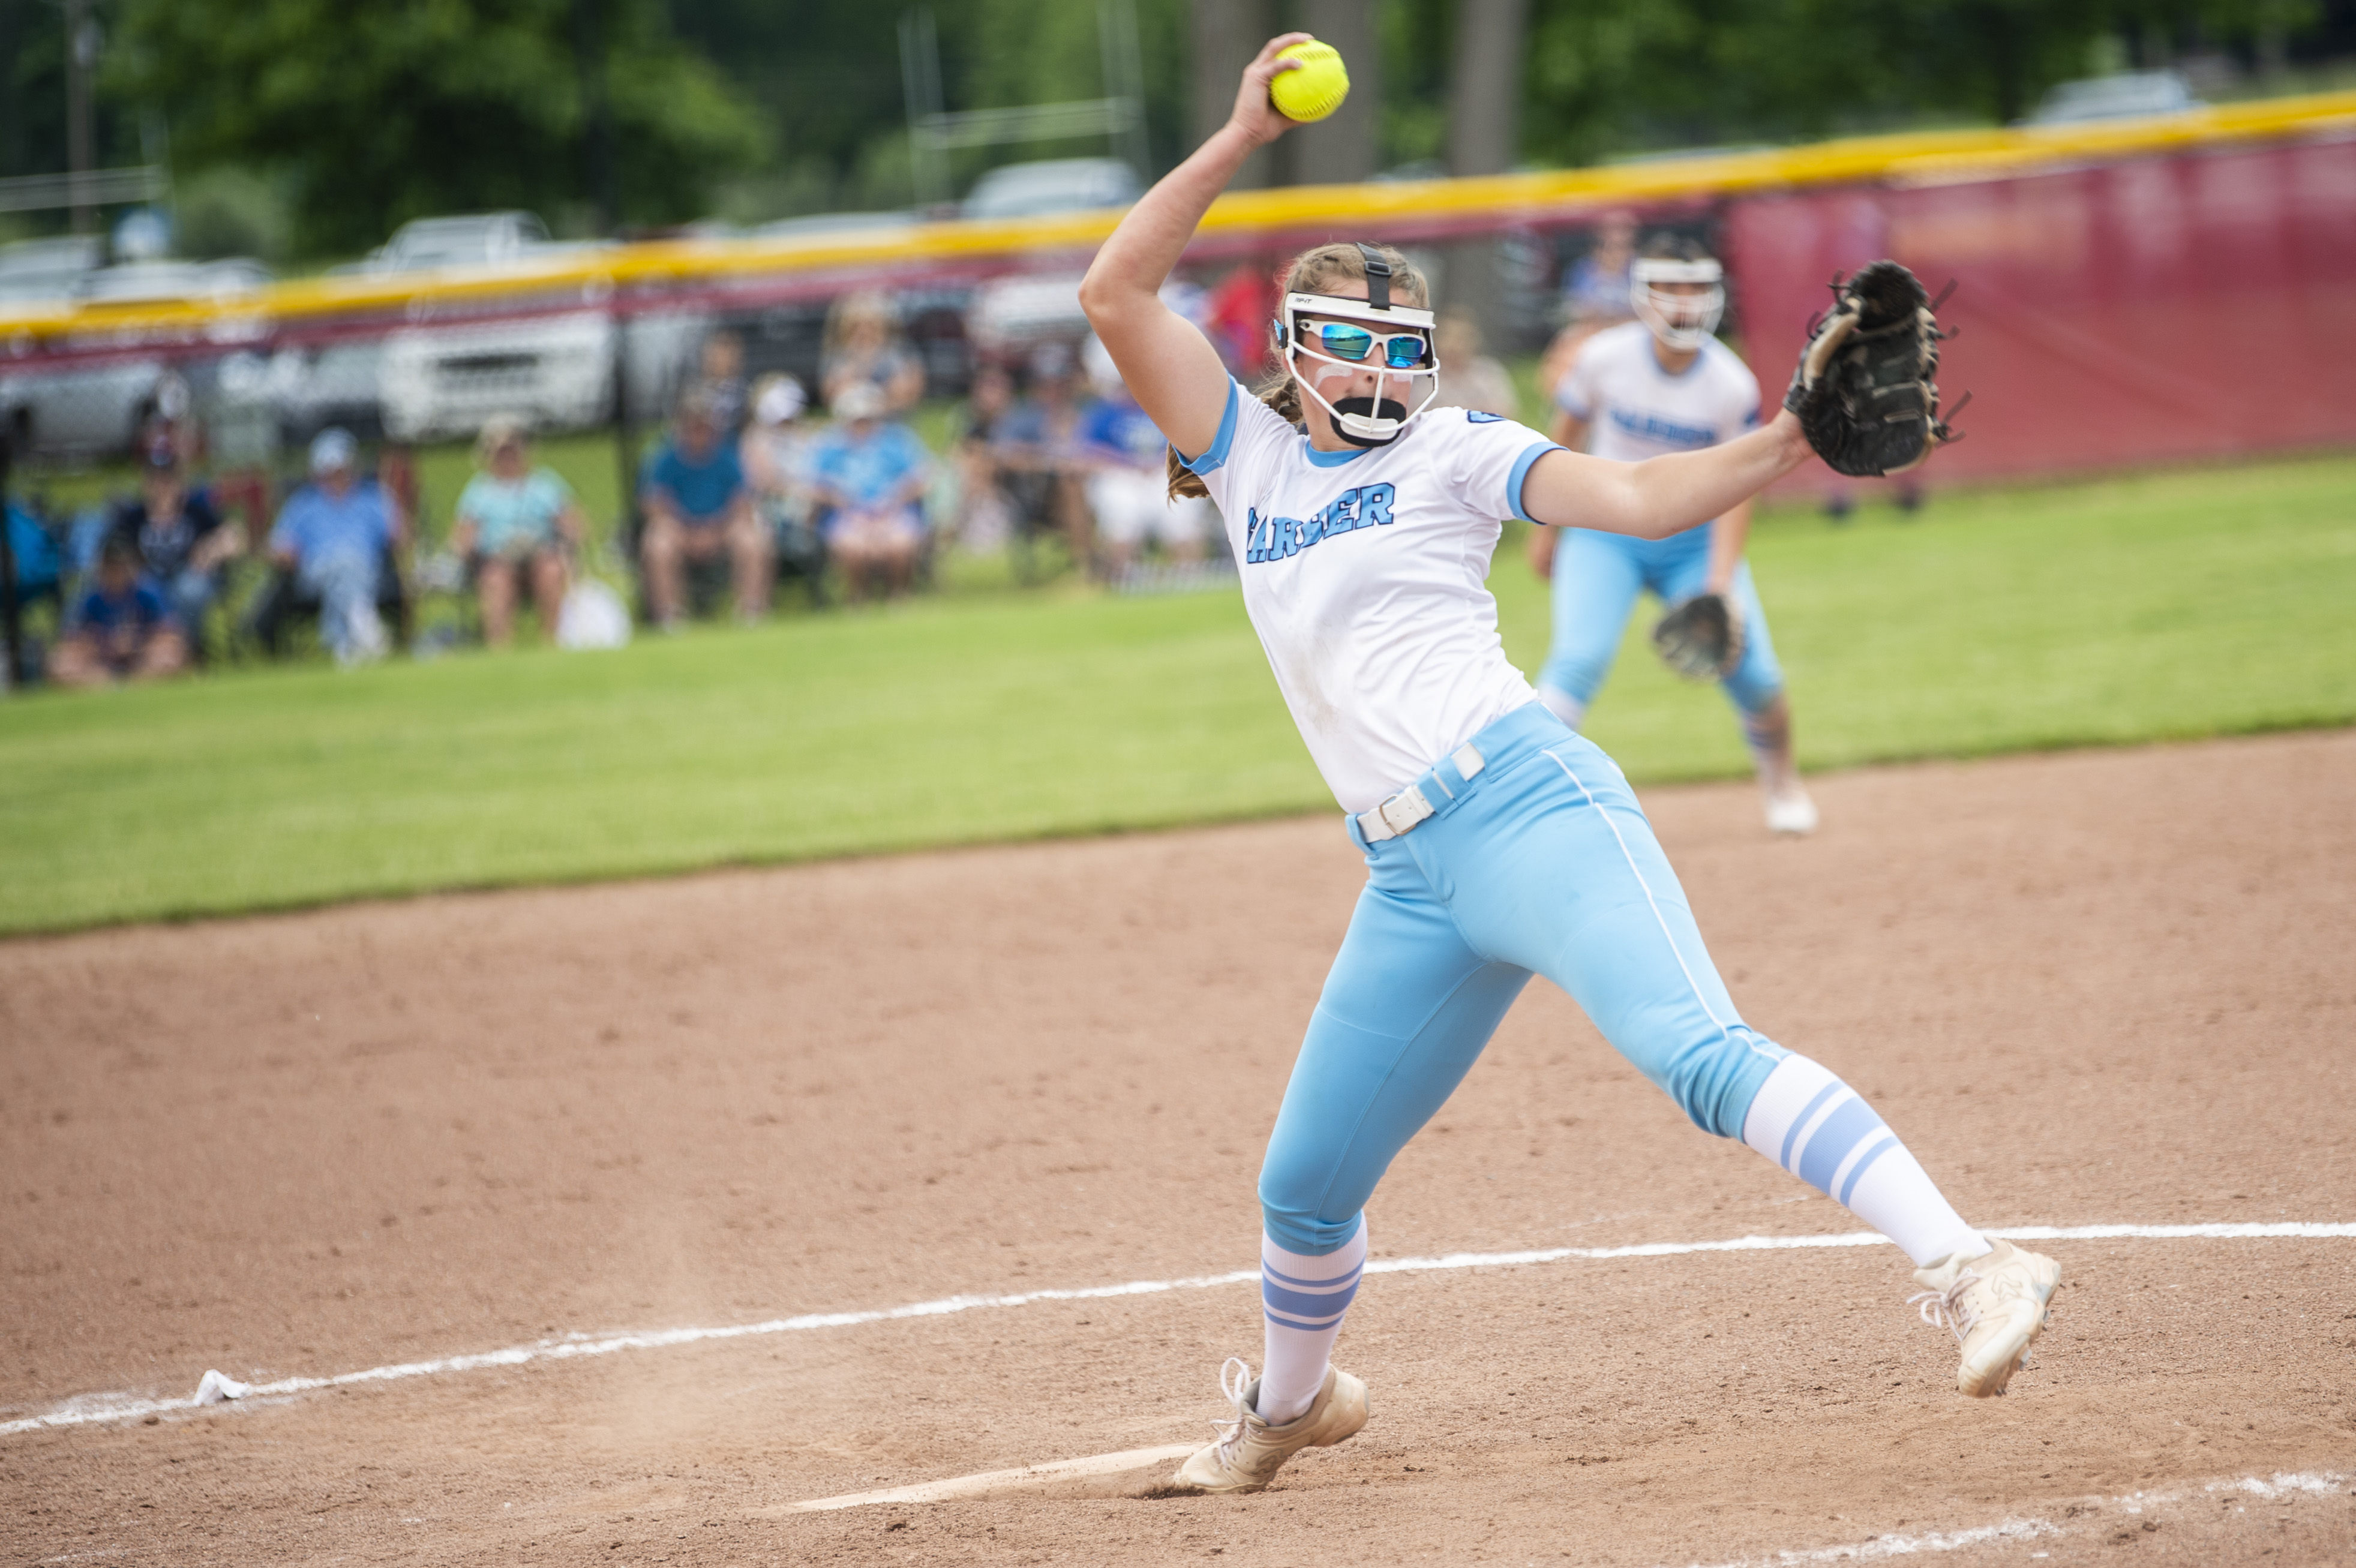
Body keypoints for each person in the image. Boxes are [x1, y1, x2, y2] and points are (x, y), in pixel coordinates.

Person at [1078, 35, 2061, 1497]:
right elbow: (1115, 292)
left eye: (1406, 348)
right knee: (1304, 1182)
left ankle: (1975, 1262)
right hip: (1408, 875)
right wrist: (1236, 136)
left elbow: (1638, 490)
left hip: (1531, 802)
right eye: (1353, 342)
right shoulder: (1245, 458)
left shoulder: (1458, 451)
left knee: (1696, 1055)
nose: (1384, 370)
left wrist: (1786, 436)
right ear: (1294, 348)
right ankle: (1288, 1409)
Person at [1529, 236, 1818, 836]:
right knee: (1575, 662)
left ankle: (1782, 779)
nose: (1684, 302)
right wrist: (1547, 533)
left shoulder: (1728, 383)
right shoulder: (1604, 357)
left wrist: (1719, 582)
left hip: (1692, 543)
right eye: (1672, 287)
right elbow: (1563, 441)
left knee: (1756, 673)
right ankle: (1525, 800)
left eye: (1697, 289)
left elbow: (1738, 488)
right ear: (1644, 292)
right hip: (1607, 532)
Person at [265, 427, 406, 666]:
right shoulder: (303, 504)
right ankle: (364, 625)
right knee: (341, 565)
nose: (336, 476)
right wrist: (286, 554)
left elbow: (400, 536)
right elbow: (277, 546)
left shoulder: (373, 498)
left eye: (341, 470)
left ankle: (344, 646)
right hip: (313, 574)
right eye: (329, 471)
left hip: (367, 572)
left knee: (346, 566)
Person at [1075, 335, 1209, 572]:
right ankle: (1125, 576)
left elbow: (1190, 442)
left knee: (1181, 510)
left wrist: (1159, 461)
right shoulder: (1103, 412)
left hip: (1163, 470)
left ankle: (1191, 573)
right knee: (1121, 509)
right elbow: (1088, 452)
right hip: (1122, 475)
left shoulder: (1166, 405)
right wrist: (1129, 463)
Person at [639, 389, 770, 629]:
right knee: (658, 543)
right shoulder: (665, 459)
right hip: (681, 528)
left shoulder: (727, 457)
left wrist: (716, 530)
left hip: (722, 527)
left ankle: (751, 611)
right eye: (693, 425)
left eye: (704, 425)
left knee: (752, 541)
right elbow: (655, 505)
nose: (699, 432)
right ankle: (670, 616)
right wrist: (686, 530)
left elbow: (741, 502)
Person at [450, 416, 586, 647]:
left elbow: (575, 524)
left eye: (513, 450)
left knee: (551, 571)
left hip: (540, 557)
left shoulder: (544, 485)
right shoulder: (480, 491)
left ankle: (551, 641)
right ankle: (500, 647)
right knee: (497, 580)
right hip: (498, 561)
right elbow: (462, 537)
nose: (509, 457)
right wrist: (472, 548)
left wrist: (564, 533)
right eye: (501, 452)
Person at [107, 440, 243, 645]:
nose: (161, 485)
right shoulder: (133, 516)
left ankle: (185, 647)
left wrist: (209, 552)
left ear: (178, 481)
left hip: (188, 576)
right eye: (155, 479)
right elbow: (112, 551)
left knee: (190, 589)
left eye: (167, 479)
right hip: (147, 580)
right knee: (141, 590)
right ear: (146, 482)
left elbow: (234, 536)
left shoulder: (195, 510)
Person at [806, 382, 931, 603]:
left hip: (893, 511)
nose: (862, 424)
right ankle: (858, 597)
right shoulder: (829, 445)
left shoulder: (897, 440)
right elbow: (812, 484)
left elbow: (923, 478)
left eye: (867, 418)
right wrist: (840, 500)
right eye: (856, 419)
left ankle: (898, 595)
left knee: (900, 543)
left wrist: (895, 500)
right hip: (847, 514)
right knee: (853, 547)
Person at [50, 534, 188, 687]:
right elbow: (71, 639)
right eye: (111, 566)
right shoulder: (89, 594)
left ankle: (134, 684)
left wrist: (137, 644)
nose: (117, 572)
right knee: (61, 664)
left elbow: (171, 633)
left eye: (121, 566)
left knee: (168, 657)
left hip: (142, 659)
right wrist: (102, 645)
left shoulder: (148, 590)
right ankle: (107, 687)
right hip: (100, 663)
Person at [820, 291, 925, 415]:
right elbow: (831, 395)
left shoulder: (898, 356)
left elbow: (906, 394)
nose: (863, 332)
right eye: (856, 326)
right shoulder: (839, 358)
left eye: (870, 326)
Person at [1432, 306, 1518, 419]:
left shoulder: (1489, 374)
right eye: (1447, 337)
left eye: (1460, 338)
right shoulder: (1426, 378)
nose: (1453, 345)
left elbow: (1507, 416)